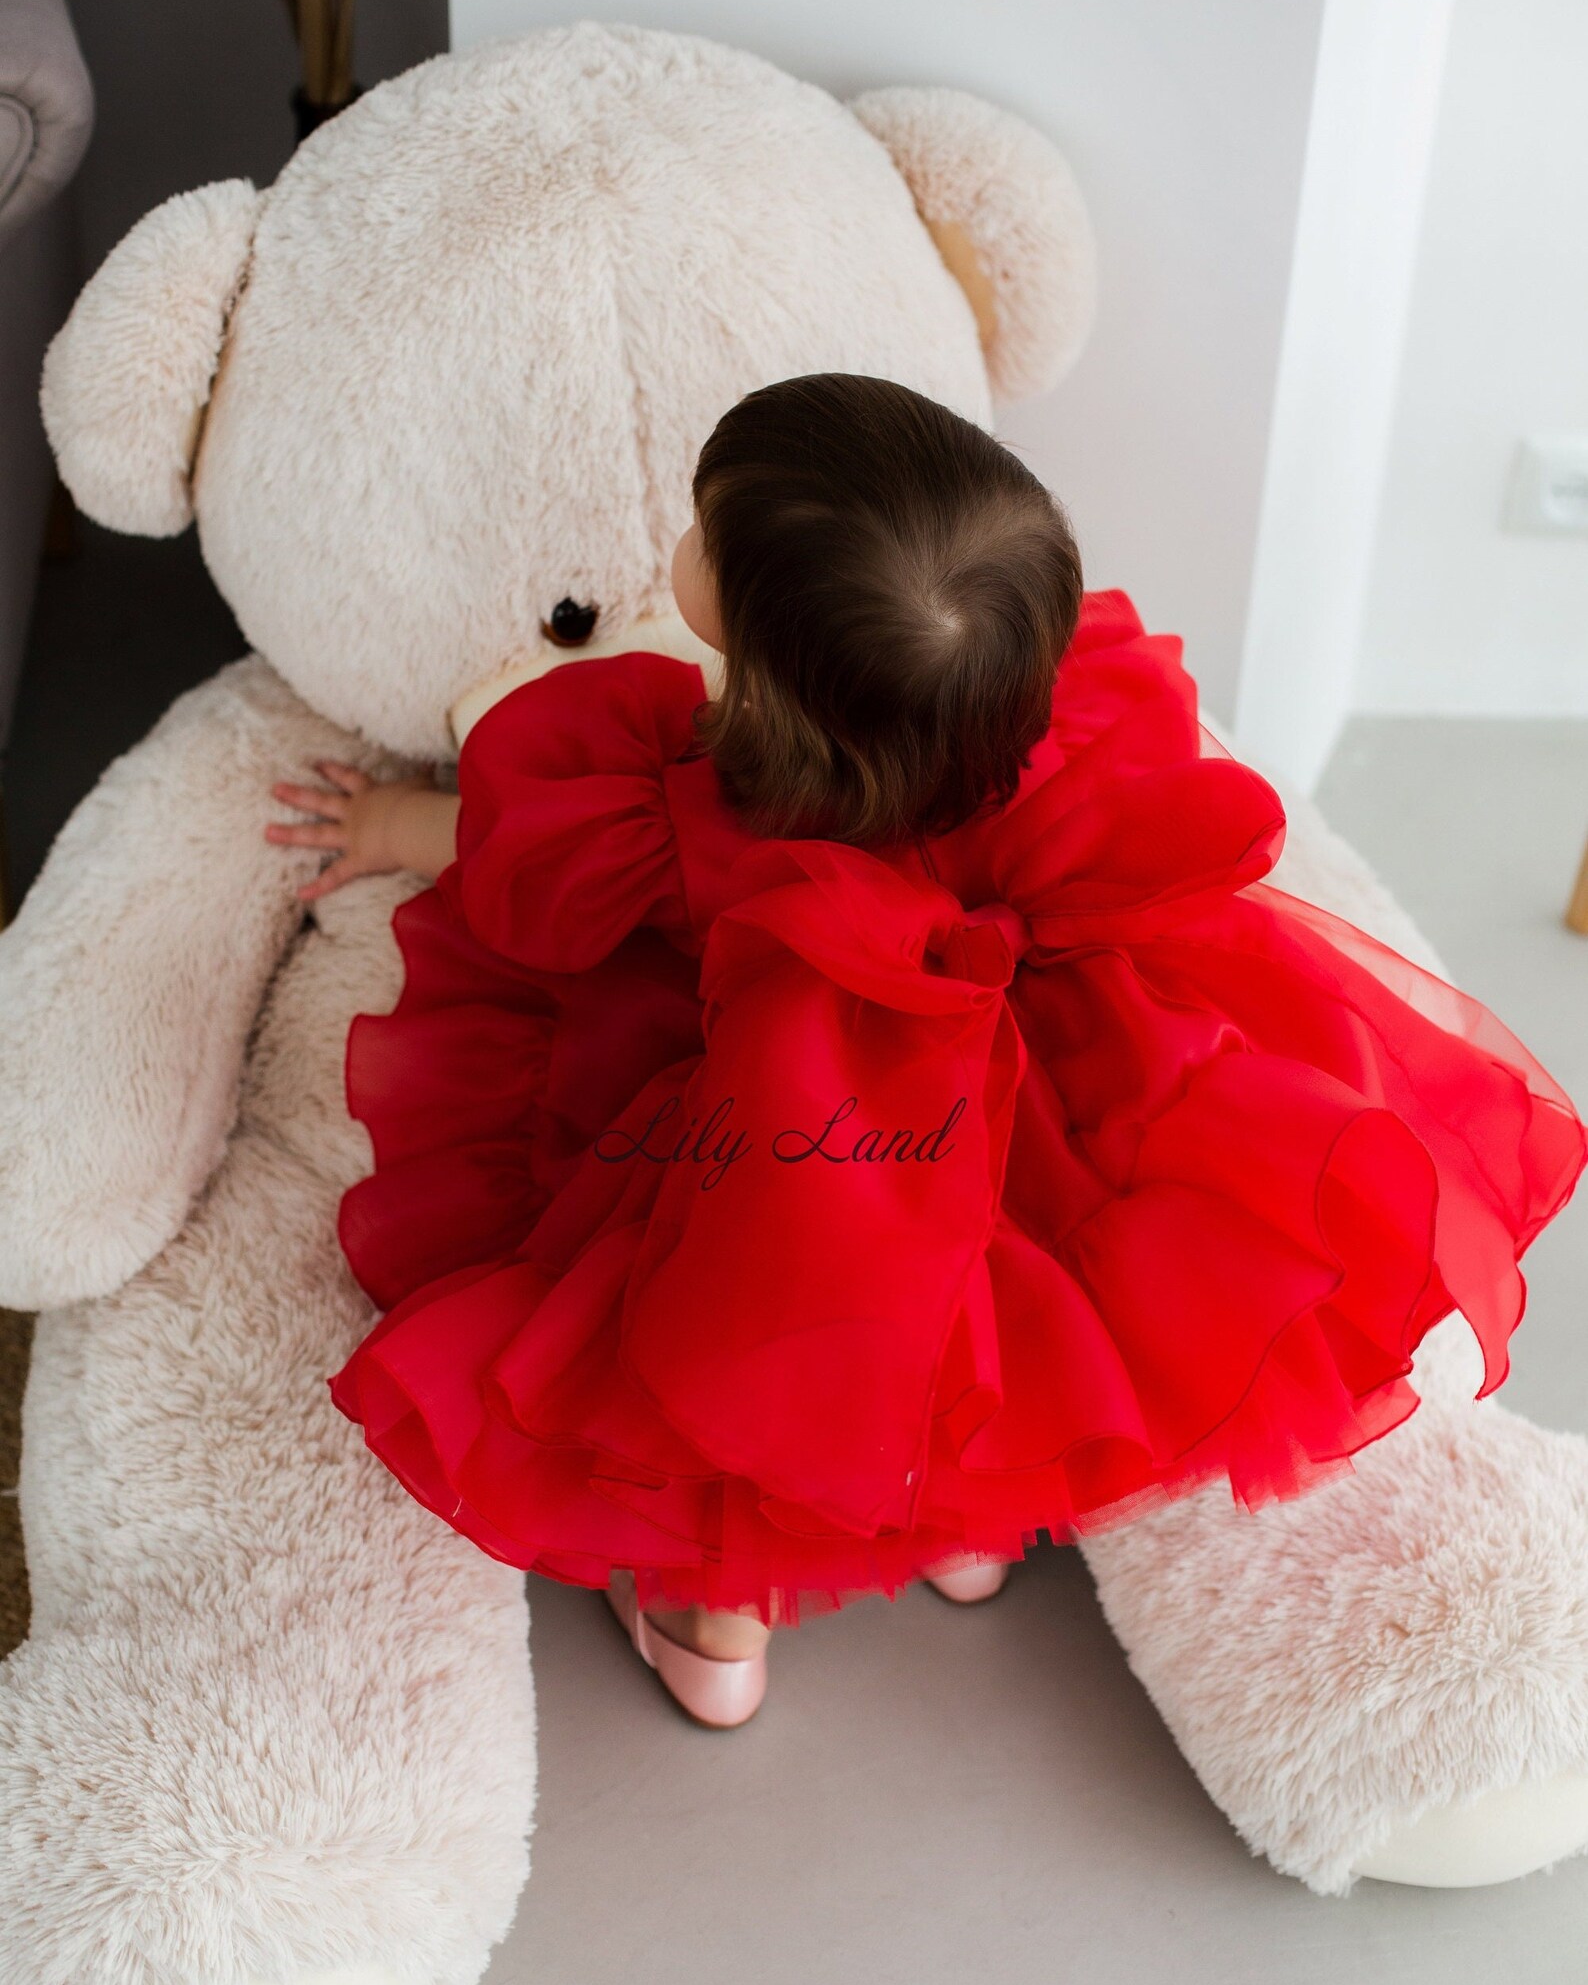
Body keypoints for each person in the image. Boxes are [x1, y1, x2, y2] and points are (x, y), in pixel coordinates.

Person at [266, 373, 1586, 1729]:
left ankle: (714, 1628)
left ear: (752, 645)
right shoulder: (1055, 726)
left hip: (805, 1127)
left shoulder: (704, 802)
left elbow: (512, 855)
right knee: (1019, 1298)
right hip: (1015, 1105)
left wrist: (383, 829)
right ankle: (967, 1531)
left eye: (702, 539)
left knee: (732, 1331)